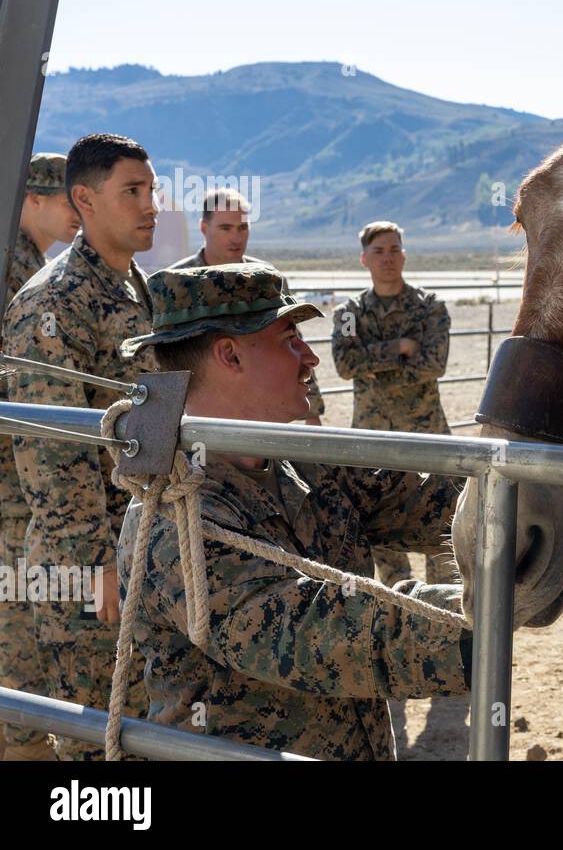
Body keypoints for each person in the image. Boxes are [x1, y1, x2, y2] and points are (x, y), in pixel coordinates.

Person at [117, 263, 470, 760]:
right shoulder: (176, 518)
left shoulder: (304, 462)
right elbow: (312, 634)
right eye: (289, 339)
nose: (311, 358)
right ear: (230, 353)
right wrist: (485, 611)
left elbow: (438, 501)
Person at [3, 134, 156, 759]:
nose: (150, 207)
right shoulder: (55, 303)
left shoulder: (134, 288)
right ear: (85, 200)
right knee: (100, 744)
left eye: (152, 191)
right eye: (132, 191)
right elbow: (53, 461)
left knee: (142, 730)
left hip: (139, 548)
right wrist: (98, 569)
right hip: (89, 570)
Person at [0, 153, 80, 761]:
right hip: (11, 482)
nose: (77, 215)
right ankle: (23, 742)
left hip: (22, 479)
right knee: (19, 615)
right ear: (31, 199)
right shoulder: (16, 272)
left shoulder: (30, 266)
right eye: (65, 202)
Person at [331, 221, 453, 586]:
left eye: (394, 249)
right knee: (379, 522)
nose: (388, 258)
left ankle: (439, 598)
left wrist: (372, 362)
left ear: (404, 254)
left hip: (427, 433)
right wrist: (399, 348)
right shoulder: (350, 313)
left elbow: (434, 365)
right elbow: (345, 366)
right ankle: (399, 594)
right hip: (373, 437)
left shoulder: (430, 307)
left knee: (442, 517)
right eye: (379, 251)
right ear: (364, 259)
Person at [166, 188, 324, 425]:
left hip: (262, 404)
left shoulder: (266, 279)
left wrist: (312, 412)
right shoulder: (178, 282)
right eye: (226, 228)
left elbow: (293, 342)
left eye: (243, 228)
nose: (236, 238)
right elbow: (166, 355)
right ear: (203, 228)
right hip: (198, 409)